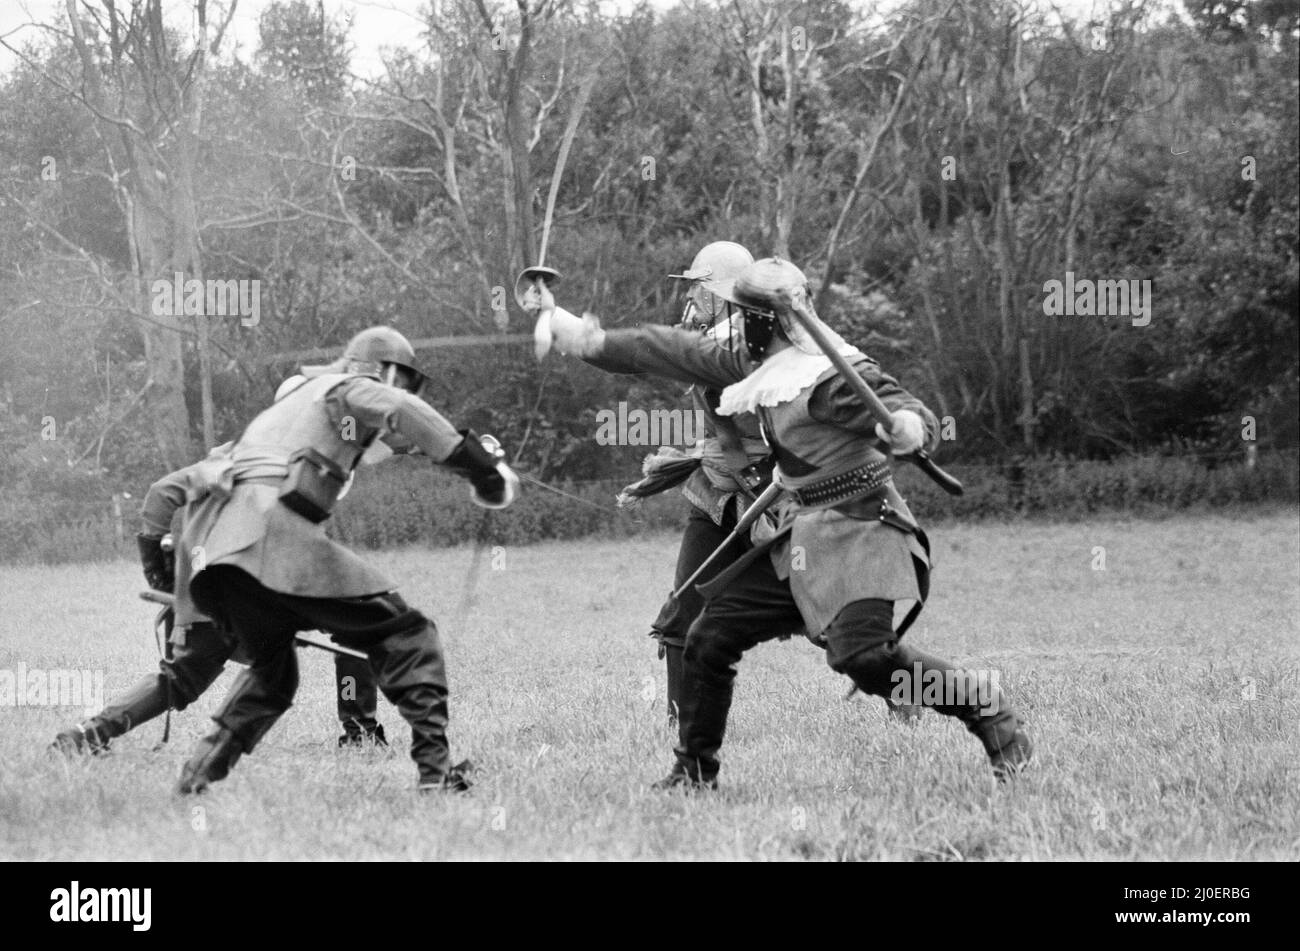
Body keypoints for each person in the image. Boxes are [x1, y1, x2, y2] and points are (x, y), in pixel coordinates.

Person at [532, 260, 1032, 788]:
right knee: (708, 636)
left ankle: (985, 710)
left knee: (864, 658)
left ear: (767, 318)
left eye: (746, 316)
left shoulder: (833, 378)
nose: (740, 326)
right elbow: (666, 350)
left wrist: (911, 426)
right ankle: (694, 773)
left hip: (863, 531)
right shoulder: (755, 360)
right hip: (801, 536)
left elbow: (904, 410)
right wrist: (572, 331)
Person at [169, 326, 518, 793]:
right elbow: (399, 410)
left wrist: (453, 453)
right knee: (409, 634)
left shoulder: (296, 404)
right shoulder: (351, 387)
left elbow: (382, 439)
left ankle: (194, 779)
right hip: (274, 538)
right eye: (398, 379)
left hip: (221, 555)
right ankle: (435, 777)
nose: (397, 389)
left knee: (273, 675)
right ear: (383, 371)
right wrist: (479, 467)